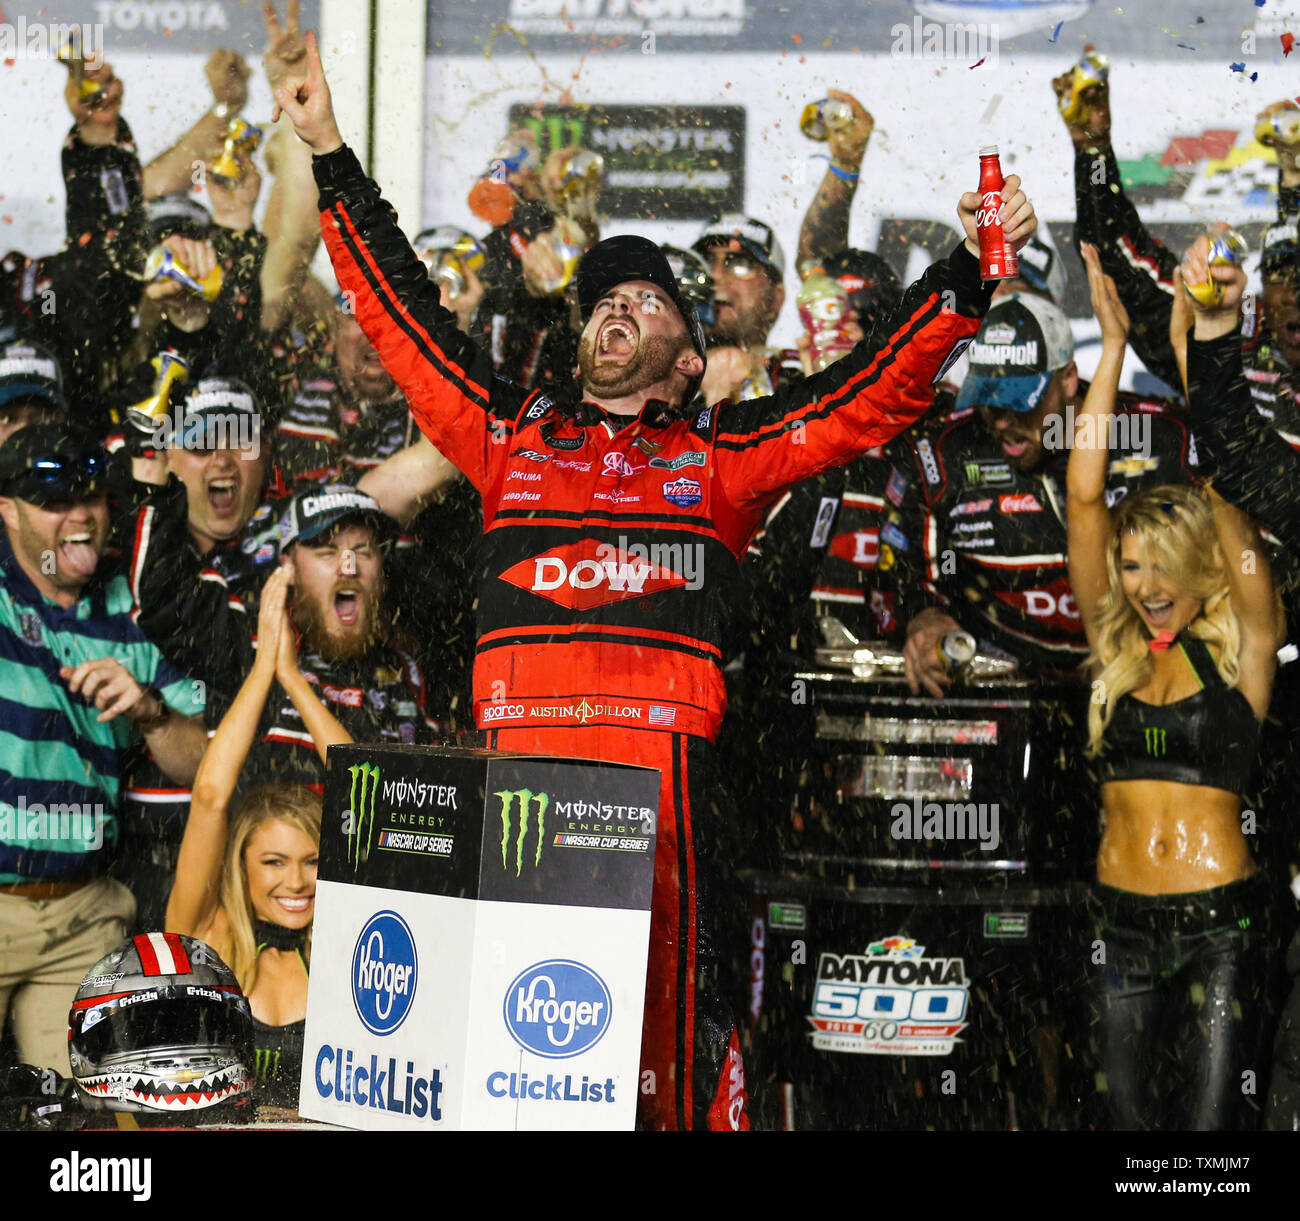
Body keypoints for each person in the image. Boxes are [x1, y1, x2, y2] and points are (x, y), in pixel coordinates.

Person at [273, 28, 1036, 1129]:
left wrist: (967, 275)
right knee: (505, 1073)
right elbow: (400, 319)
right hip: (521, 784)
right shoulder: (506, 433)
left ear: (689, 355)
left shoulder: (720, 454)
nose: (614, 307)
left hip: (660, 796)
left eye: (645, 297)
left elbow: (869, 392)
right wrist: (330, 151)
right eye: (599, 298)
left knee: (659, 1077)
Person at [1068, 243, 1282, 1130]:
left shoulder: (1245, 651)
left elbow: (1235, 513)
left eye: (1163, 566)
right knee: (1117, 1137)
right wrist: (1111, 349)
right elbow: (1084, 498)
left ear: (1201, 571)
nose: (1145, 584)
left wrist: (1198, 365)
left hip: (1221, 934)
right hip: (1115, 929)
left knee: (1209, 1149)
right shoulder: (1114, 645)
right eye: (1130, 565)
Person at [0, 424, 206, 1073]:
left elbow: (206, 762)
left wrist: (149, 708)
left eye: (89, 497)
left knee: (86, 1111)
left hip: (84, 909)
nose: (79, 517)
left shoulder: (126, 603)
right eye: (53, 502)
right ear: (5, 510)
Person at [166, 566, 348, 1106]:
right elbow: (210, 797)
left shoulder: (345, 940)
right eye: (273, 862)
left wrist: (293, 679)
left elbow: (371, 793)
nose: (296, 881)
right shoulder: (205, 935)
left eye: (312, 861)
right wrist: (262, 670)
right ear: (240, 866)